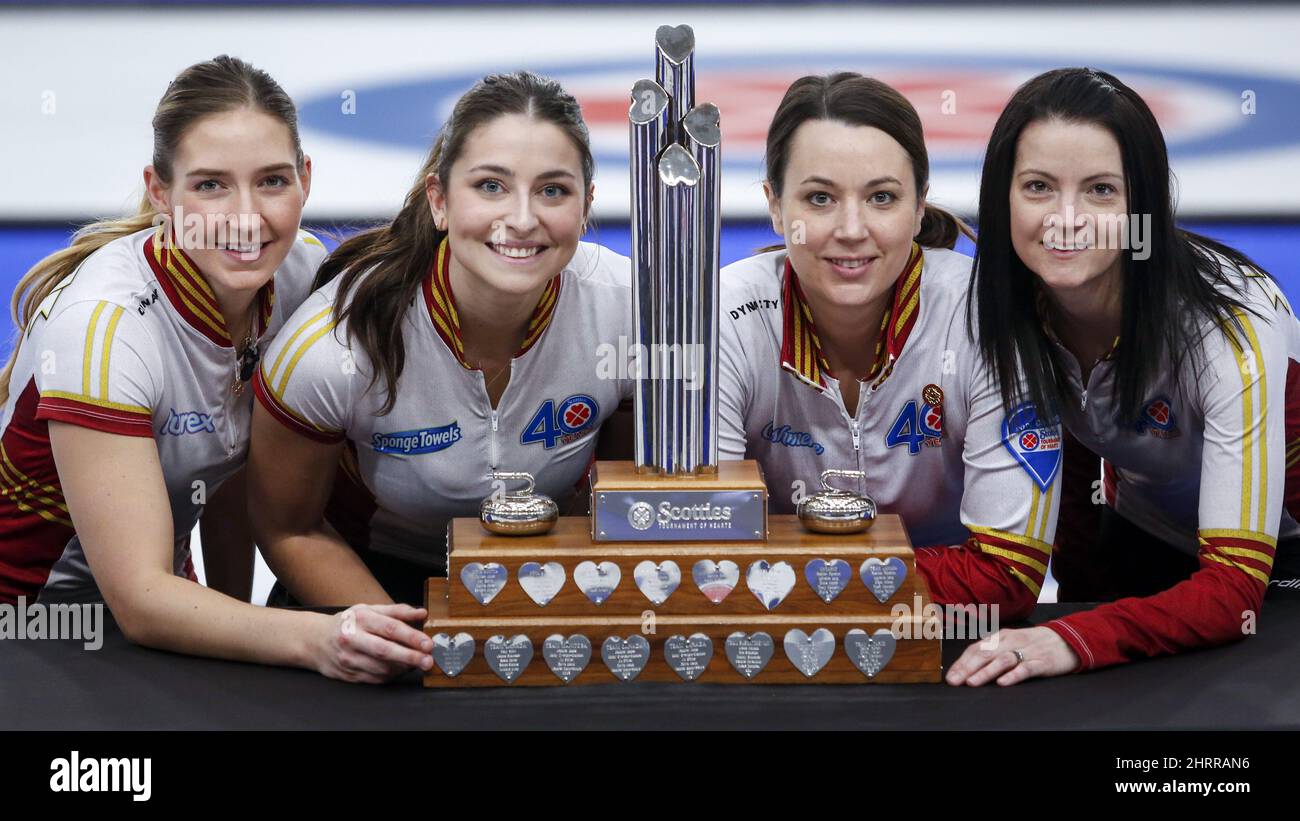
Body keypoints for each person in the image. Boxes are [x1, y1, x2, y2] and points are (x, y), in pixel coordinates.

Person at [0, 56, 432, 683]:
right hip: (35, 628)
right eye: (210, 186)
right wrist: (321, 635)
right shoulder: (103, 327)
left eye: (272, 181)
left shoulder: (297, 272)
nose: (245, 216)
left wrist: (237, 632)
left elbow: (230, 474)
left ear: (306, 179)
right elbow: (140, 600)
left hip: (166, 614)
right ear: (159, 192)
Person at [948, 67, 1299, 687]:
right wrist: (1074, 603)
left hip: (1279, 559)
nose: (1066, 219)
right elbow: (1071, 454)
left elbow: (1233, 590)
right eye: (1038, 187)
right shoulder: (1005, 304)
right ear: (1001, 197)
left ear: (1144, 207)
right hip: (1148, 531)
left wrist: (1073, 636)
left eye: (1101, 191)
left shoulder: (1229, 324)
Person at [249, 72, 632, 606]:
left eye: (552, 191)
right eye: (491, 186)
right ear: (439, 200)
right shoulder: (333, 343)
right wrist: (403, 636)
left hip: (550, 576)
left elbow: (624, 504)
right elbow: (290, 529)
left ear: (586, 205)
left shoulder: (631, 312)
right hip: (373, 582)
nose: (522, 220)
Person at [718, 72, 1062, 624]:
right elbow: (709, 557)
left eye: (882, 197)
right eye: (820, 198)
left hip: (950, 640)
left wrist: (813, 581)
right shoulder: (724, 318)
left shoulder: (988, 316)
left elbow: (1009, 573)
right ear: (776, 206)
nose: (852, 229)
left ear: (919, 206)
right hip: (776, 636)